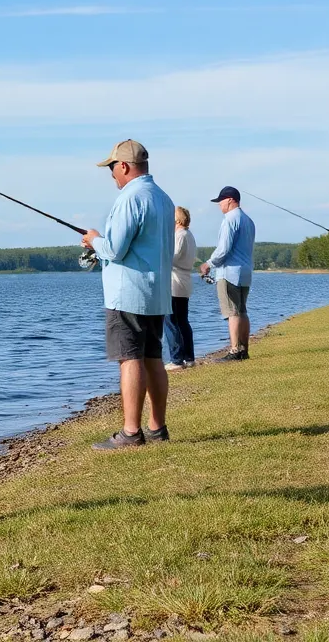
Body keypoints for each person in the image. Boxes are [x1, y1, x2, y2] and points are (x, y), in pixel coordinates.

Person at [80, 139, 175, 450]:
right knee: (153, 358)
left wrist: (94, 239)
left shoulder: (129, 198)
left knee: (130, 359)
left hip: (128, 294)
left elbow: (114, 249)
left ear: (124, 166)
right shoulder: (164, 199)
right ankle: (157, 429)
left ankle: (131, 433)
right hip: (156, 294)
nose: (111, 175)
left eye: (111, 168)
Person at [200, 186, 256, 361]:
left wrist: (208, 263)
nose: (219, 205)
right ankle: (244, 350)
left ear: (230, 200)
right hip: (245, 272)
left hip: (229, 272)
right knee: (242, 311)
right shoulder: (248, 220)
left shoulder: (230, 219)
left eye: (221, 201)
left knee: (232, 312)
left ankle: (234, 351)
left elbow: (224, 249)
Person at [164, 206, 197, 370]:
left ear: (177, 220)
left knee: (171, 321)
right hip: (184, 281)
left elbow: (173, 256)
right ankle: (189, 356)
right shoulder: (189, 235)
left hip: (174, 281)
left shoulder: (180, 235)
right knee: (182, 320)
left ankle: (176, 359)